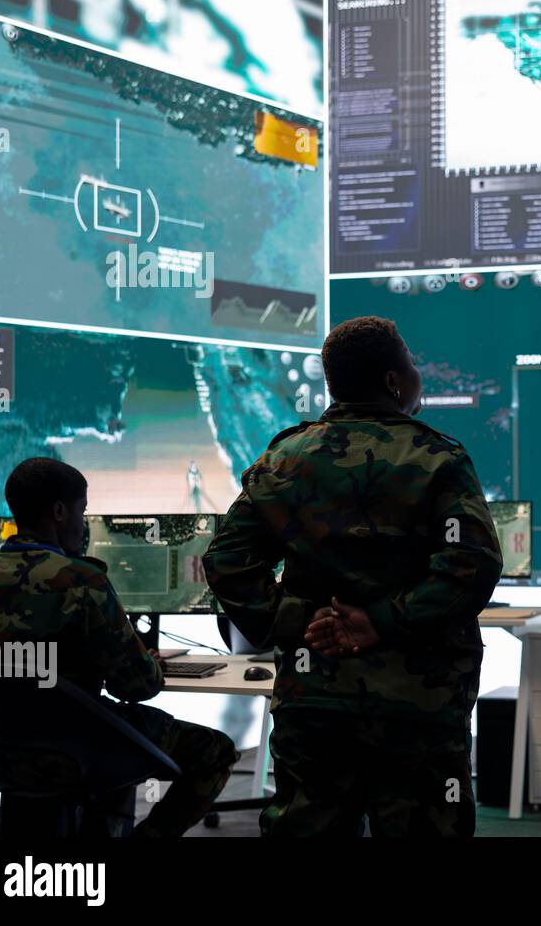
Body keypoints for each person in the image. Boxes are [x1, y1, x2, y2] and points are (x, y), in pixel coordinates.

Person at [203, 315, 502, 837]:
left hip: (314, 697)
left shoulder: (285, 459)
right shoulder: (438, 458)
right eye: (411, 363)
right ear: (393, 381)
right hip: (418, 704)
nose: (416, 374)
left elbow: (227, 560)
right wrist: (380, 622)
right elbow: (470, 562)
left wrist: (299, 620)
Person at [0, 458, 238, 836]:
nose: (82, 523)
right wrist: (142, 661)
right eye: (81, 511)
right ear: (58, 512)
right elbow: (138, 687)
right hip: (82, 753)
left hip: (4, 755)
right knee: (216, 751)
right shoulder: (82, 581)